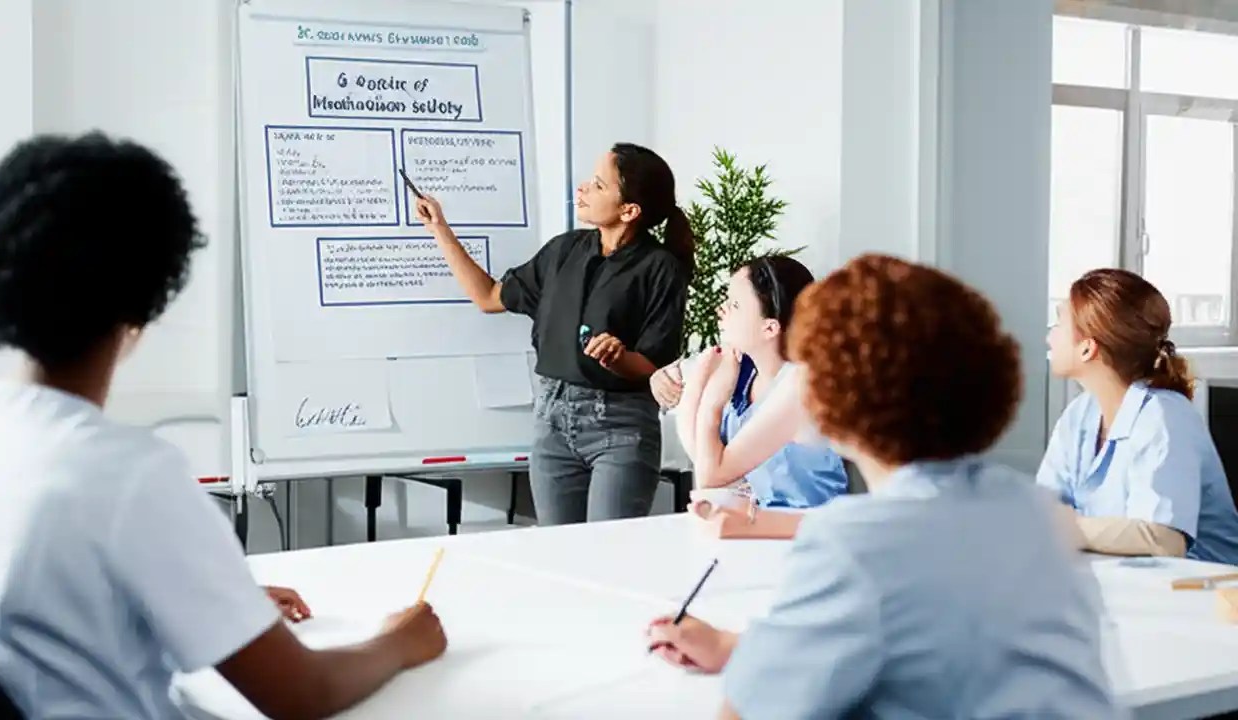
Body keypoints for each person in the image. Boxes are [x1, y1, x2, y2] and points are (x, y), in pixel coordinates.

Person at [0, 133, 446, 720]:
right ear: (147, 293)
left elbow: (29, 606)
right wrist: (399, 640)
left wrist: (204, 601)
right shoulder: (128, 474)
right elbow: (302, 695)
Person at [646, 254, 1117, 719]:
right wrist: (736, 647)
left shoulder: (852, 544)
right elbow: (930, 635)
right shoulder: (1032, 513)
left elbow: (745, 713)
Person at [415, 143, 691, 525]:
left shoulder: (660, 268)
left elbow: (651, 365)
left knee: (609, 558)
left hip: (620, 428)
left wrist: (618, 356)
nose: (583, 189)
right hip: (551, 424)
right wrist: (440, 230)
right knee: (559, 555)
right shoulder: (564, 250)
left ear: (629, 211)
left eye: (597, 185)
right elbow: (489, 297)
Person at [1038, 268, 1238, 564]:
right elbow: (1045, 512)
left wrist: (1072, 528)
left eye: (1059, 324)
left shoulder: (1165, 416)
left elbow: (1164, 539)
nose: (1048, 336)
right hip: (1123, 583)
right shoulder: (1079, 415)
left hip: (1202, 593)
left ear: (1087, 348)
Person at [672, 256, 847, 509]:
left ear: (770, 328)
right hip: (763, 529)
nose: (721, 311)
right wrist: (698, 383)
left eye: (735, 305)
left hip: (807, 532)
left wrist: (712, 399)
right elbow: (704, 458)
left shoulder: (800, 384)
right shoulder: (743, 377)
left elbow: (711, 475)